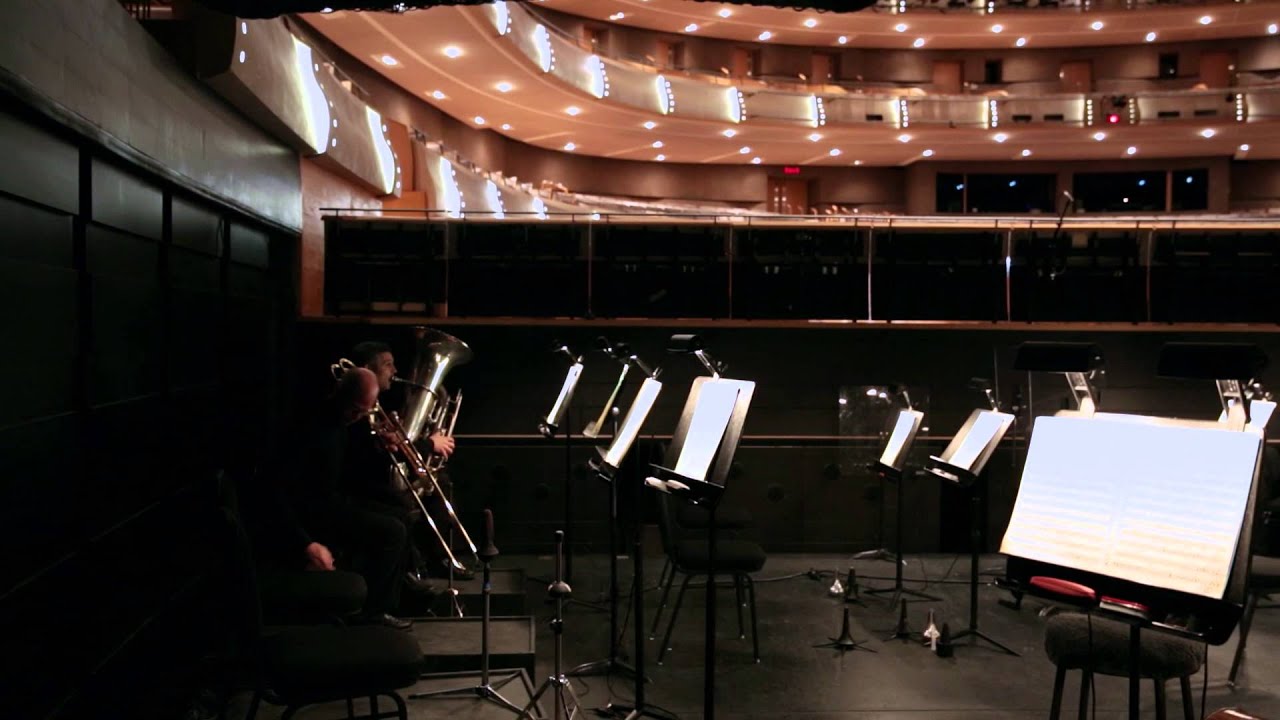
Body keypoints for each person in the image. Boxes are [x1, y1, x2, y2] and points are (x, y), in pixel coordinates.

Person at [285, 367, 415, 630]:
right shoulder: (313, 426)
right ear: (341, 395)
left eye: (362, 412)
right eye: (355, 410)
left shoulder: (344, 423)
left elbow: (352, 466)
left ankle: (393, 596)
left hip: (334, 498)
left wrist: (380, 448)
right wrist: (305, 543)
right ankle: (370, 612)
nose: (357, 417)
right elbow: (285, 491)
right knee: (393, 532)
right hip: (315, 508)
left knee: (403, 513)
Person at [348, 341, 471, 582]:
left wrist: (394, 438)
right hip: (367, 486)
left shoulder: (379, 405)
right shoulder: (358, 410)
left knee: (438, 479)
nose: (394, 371)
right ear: (365, 369)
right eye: (387, 365)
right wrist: (429, 445)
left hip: (382, 474)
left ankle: (439, 559)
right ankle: (413, 571)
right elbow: (364, 459)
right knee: (403, 505)